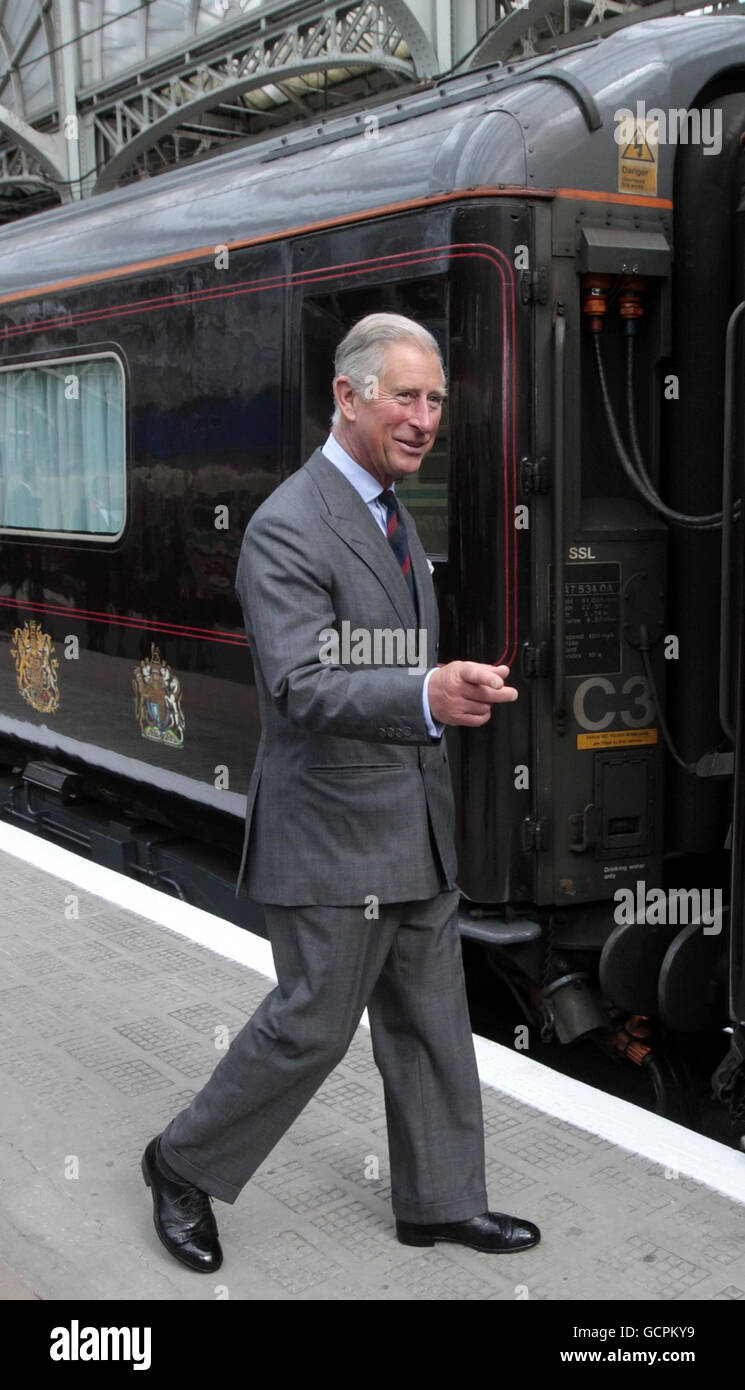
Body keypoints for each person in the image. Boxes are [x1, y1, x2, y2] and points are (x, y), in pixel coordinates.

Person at [142, 312, 541, 1271]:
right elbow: (301, 683)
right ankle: (182, 1164)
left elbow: (376, 661)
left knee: (432, 1022)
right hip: (329, 833)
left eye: (436, 399)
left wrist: (440, 689)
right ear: (347, 395)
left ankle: (440, 1202)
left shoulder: (387, 510)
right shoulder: (287, 524)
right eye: (405, 396)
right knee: (311, 1024)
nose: (424, 418)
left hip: (412, 823)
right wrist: (424, 693)